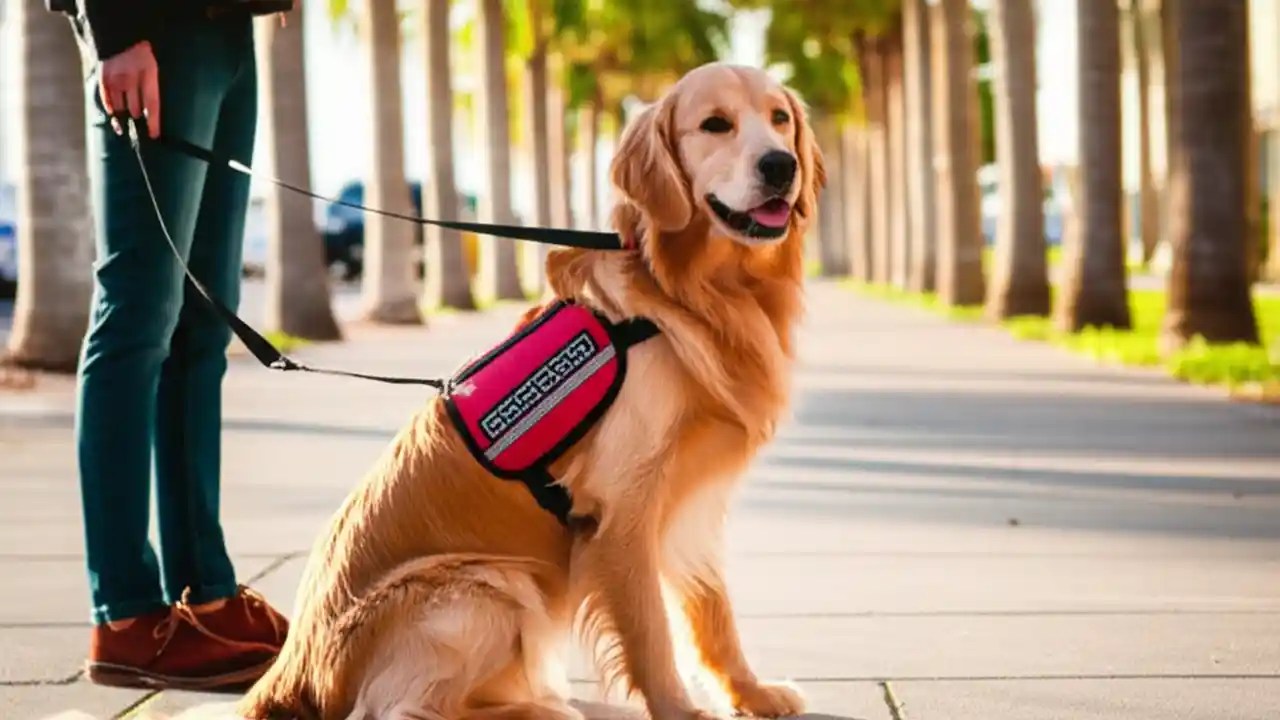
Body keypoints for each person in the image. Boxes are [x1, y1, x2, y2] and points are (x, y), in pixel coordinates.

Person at [47, 0, 295, 690]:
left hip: (227, 29)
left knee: (203, 326)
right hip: (153, 26)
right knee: (138, 315)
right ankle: (125, 615)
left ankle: (205, 596)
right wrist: (117, 30)